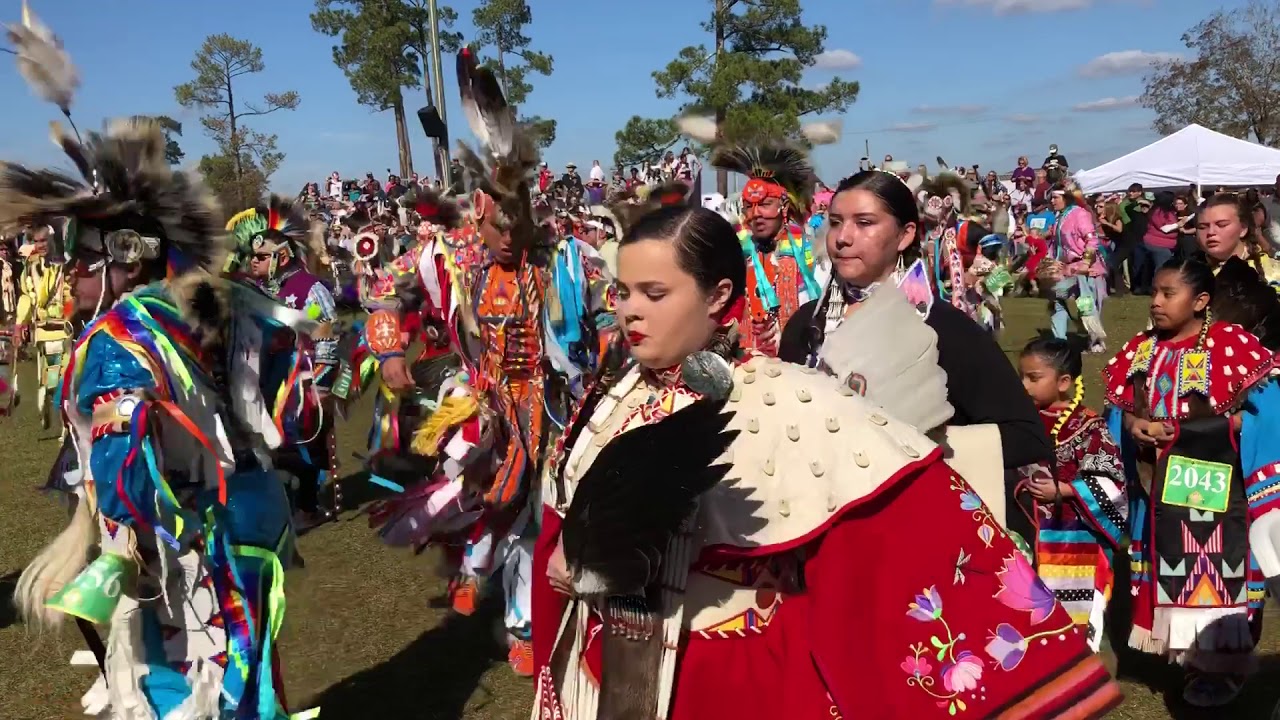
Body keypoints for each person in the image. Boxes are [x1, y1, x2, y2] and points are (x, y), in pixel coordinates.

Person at [531, 200, 1122, 720]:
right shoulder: (610, 397)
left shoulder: (790, 400)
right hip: (605, 659)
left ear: (718, 296)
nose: (631, 312)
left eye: (655, 294)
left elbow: (902, 519)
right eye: (623, 293)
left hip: (727, 674)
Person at [8, 110, 308, 717]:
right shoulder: (230, 306)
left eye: (81, 254)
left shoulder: (119, 339)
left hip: (177, 555)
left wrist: (120, 553)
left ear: (128, 253)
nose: (67, 268)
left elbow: (124, 477)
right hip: (255, 526)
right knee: (246, 686)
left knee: (177, 695)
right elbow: (293, 407)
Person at [362, 50, 615, 677]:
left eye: (519, 223)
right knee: (488, 498)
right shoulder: (453, 255)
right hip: (482, 400)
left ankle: (527, 624)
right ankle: (479, 573)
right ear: (480, 212)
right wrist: (390, 347)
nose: (510, 235)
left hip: (554, 405)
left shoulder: (560, 255)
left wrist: (610, 330)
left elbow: (612, 298)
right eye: (500, 224)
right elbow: (385, 293)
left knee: (542, 511)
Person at [778, 170, 1052, 545]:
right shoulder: (805, 327)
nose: (842, 238)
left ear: (905, 234)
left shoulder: (944, 330)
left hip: (914, 529)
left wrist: (917, 442)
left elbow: (1026, 435)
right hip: (816, 529)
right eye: (837, 222)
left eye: (865, 223)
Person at [1103, 257, 1280, 707]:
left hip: (1218, 489)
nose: (1157, 302)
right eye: (1155, 293)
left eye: (1168, 294)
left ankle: (1224, 667)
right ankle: (1191, 658)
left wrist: (1210, 430)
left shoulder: (1230, 345)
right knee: (1172, 566)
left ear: (1200, 301)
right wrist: (1132, 424)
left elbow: (1265, 412)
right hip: (1160, 486)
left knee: (1218, 572)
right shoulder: (1143, 348)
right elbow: (1121, 404)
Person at [225, 196, 341, 528]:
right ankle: (290, 503)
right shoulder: (258, 290)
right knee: (271, 440)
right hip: (271, 378)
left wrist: (319, 383)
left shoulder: (310, 289)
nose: (254, 262)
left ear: (282, 256)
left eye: (261, 256)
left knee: (299, 440)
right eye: (252, 256)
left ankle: (307, 505)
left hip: (302, 380)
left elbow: (327, 335)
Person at [1018, 338, 1126, 651]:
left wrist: (1065, 490)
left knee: (1076, 614)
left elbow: (1114, 484)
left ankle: (1080, 667)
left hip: (1074, 536)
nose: (1024, 385)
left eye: (1033, 378)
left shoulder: (1090, 426)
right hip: (1029, 531)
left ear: (1064, 382)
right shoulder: (1024, 421)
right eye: (1022, 377)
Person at [701, 133, 827, 355]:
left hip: (797, 358)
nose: (756, 214)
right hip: (746, 358)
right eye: (749, 206)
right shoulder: (735, 250)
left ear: (784, 207)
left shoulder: (808, 249)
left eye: (766, 204)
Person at [1038, 184, 1107, 352]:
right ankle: (1059, 341)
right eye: (1051, 197)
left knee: (1086, 305)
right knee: (1058, 302)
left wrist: (1085, 264)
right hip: (1065, 270)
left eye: (1056, 197)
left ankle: (1096, 341)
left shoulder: (1080, 215)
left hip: (1084, 269)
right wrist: (1051, 261)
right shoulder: (1059, 216)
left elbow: (1092, 241)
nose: (1052, 201)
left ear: (1066, 198)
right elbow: (1056, 244)